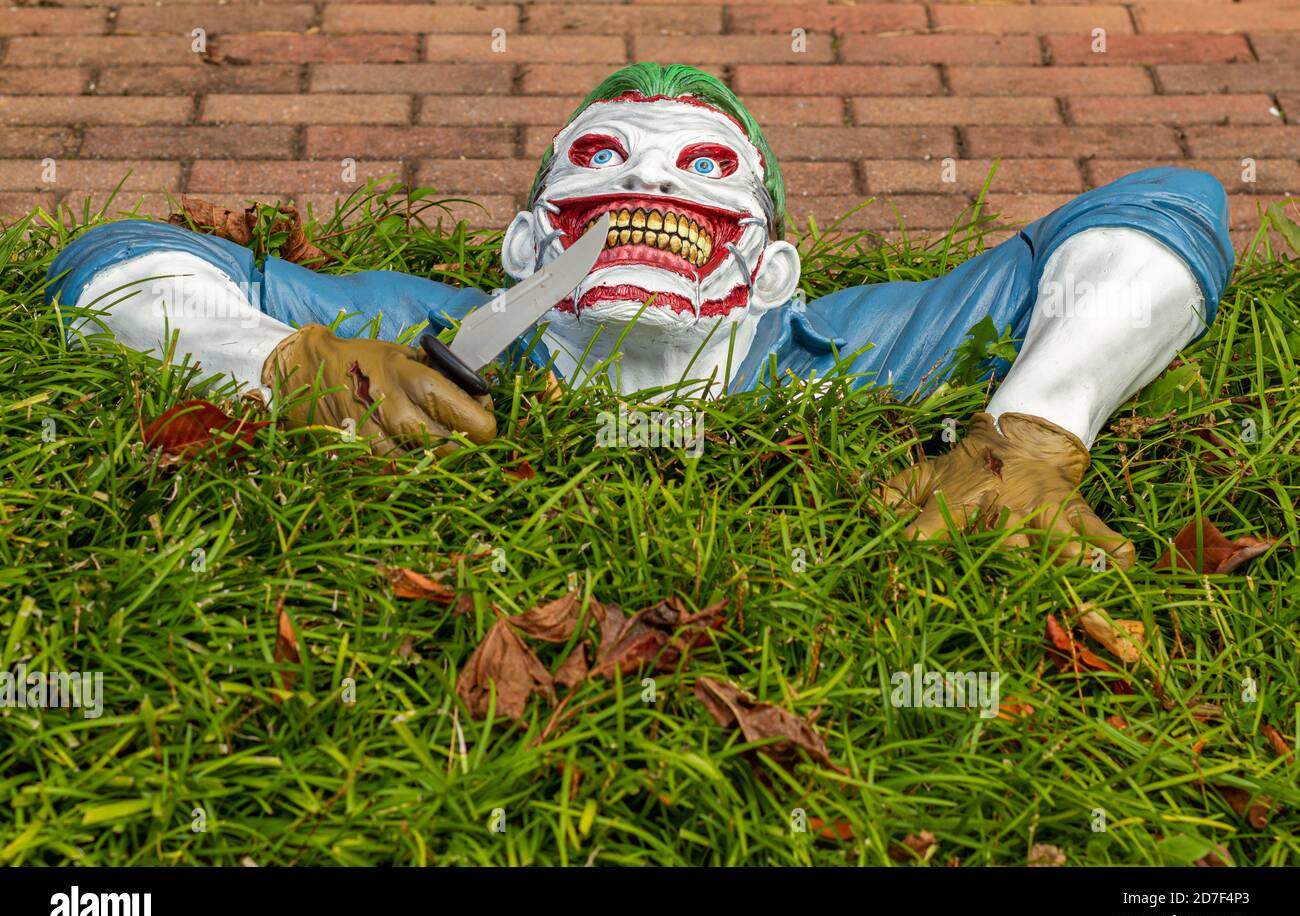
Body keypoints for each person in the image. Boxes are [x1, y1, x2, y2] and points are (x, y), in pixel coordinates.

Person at [46, 63, 1234, 569]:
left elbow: (1166, 205)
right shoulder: (433, 330)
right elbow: (112, 260)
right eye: (605, 157)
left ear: (772, 270)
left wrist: (1033, 430)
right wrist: (287, 360)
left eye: (704, 168)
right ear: (527, 249)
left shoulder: (861, 343)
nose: (653, 187)